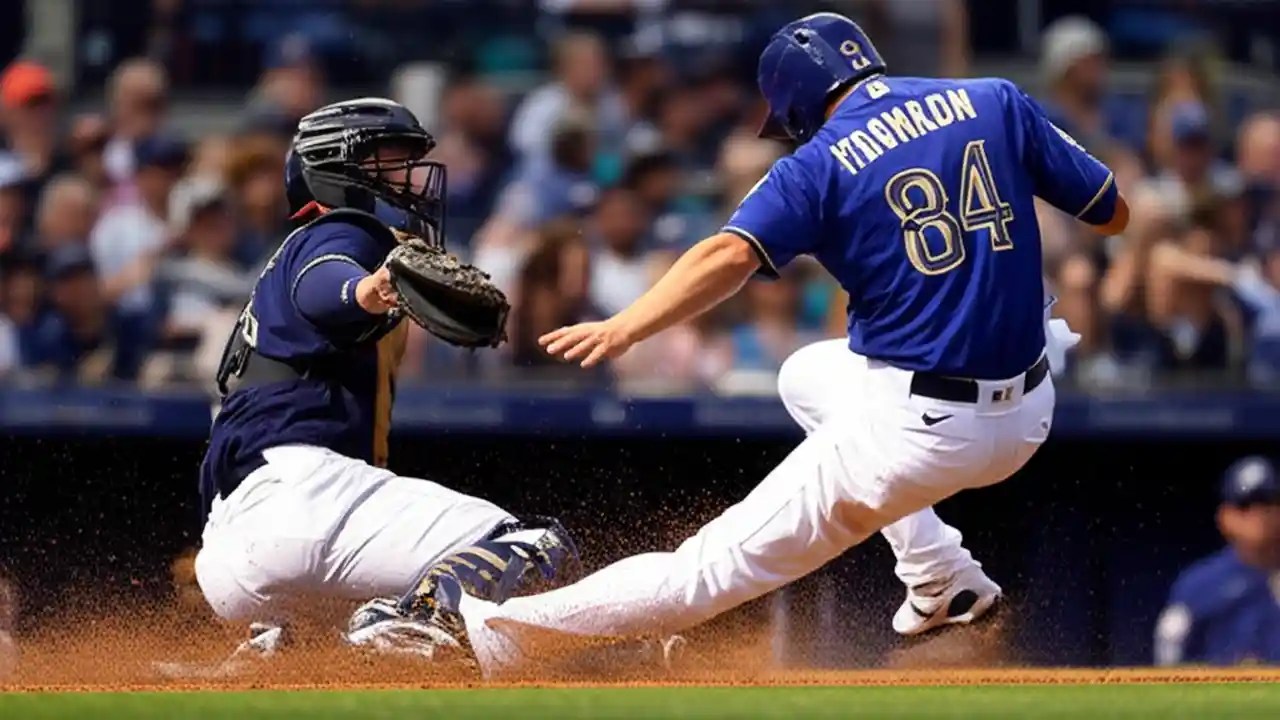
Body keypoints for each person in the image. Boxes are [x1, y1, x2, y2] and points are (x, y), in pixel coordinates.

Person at [406, 12, 1129, 676]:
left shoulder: (821, 162)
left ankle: (500, 633)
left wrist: (628, 324)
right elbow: (1112, 214)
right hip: (1031, 407)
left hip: (918, 433)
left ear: (798, 104)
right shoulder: (994, 99)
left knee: (703, 574)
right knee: (809, 373)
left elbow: (727, 257)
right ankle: (939, 571)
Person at [195, 98, 577, 662]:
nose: (410, 178)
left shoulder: (277, 271)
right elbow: (323, 285)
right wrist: (365, 292)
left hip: (238, 542)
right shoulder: (343, 232)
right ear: (337, 169)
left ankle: (285, 642)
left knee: (344, 629)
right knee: (533, 544)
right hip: (306, 499)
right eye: (390, 161)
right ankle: (411, 622)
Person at [1155, 456, 1280, 666]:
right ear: (1224, 516)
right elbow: (1169, 654)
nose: (1259, 515)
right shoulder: (1198, 583)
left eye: (1269, 502)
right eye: (1245, 505)